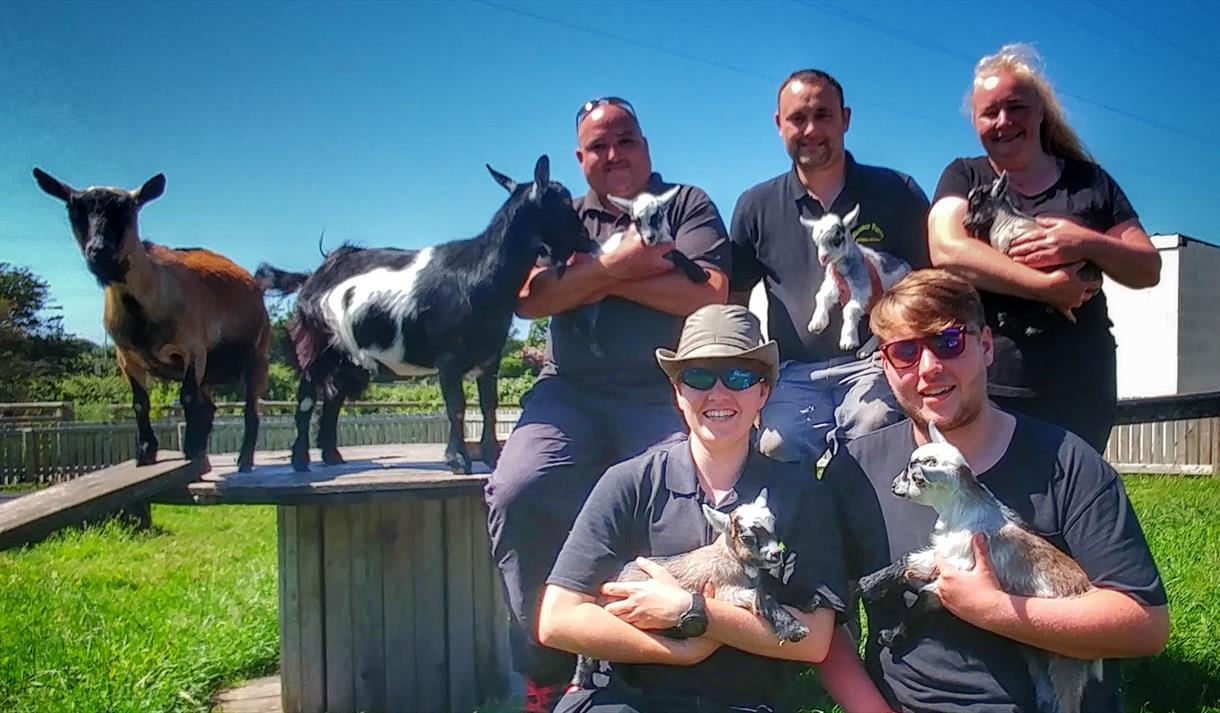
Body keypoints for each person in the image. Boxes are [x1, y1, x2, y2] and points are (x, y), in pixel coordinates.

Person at [818, 268, 1169, 712]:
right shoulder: (855, 470)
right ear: (885, 366)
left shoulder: (1068, 463)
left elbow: (1145, 626)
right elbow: (825, 621)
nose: (928, 368)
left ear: (985, 347)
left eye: (948, 341)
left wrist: (995, 609)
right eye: (905, 351)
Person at [485, 97, 731, 712]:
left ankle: (666, 664)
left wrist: (587, 279)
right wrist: (621, 264)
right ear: (580, 158)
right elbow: (529, 298)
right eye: (599, 146)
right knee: (517, 489)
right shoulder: (562, 212)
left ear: (645, 145)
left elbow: (710, 294)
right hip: (568, 391)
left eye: (626, 140)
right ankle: (547, 667)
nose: (614, 154)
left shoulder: (686, 203)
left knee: (683, 500)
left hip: (663, 390)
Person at [538, 304, 849, 713]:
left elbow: (813, 640)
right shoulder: (629, 482)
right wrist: (681, 651)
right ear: (677, 392)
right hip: (623, 699)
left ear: (764, 392)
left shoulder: (801, 495)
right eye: (698, 376)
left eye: (739, 376)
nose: (718, 393)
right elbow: (558, 620)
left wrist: (692, 612)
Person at [927, 43, 1161, 453]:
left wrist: (1083, 241)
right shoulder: (965, 176)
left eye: (1016, 107)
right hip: (989, 382)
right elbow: (947, 250)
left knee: (1075, 488)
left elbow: (1148, 267)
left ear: (1040, 112)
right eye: (990, 112)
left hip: (1080, 384)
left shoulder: (1089, 182)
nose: (1003, 121)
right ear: (975, 121)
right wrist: (1047, 288)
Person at [730, 68, 931, 471]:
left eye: (823, 115)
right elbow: (734, 301)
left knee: (876, 428)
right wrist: (742, 380)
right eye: (797, 118)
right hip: (792, 374)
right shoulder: (755, 206)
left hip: (878, 363)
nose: (810, 129)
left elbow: (931, 284)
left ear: (845, 119)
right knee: (774, 446)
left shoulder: (899, 191)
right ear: (779, 124)